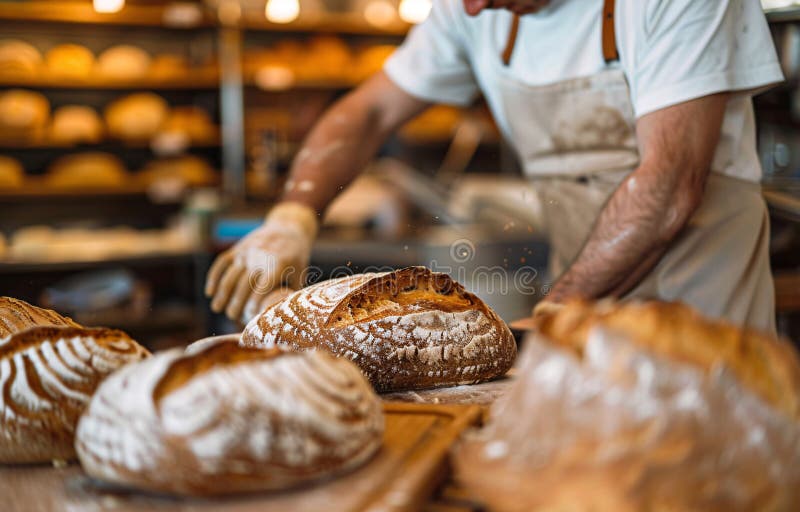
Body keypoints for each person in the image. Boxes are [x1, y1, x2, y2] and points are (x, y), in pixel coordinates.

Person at [206, 0, 783, 333]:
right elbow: (369, 112)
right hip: (579, 308)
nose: (475, 7)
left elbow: (669, 187)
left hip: (704, 310)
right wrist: (293, 216)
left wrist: (558, 307)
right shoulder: (475, 8)